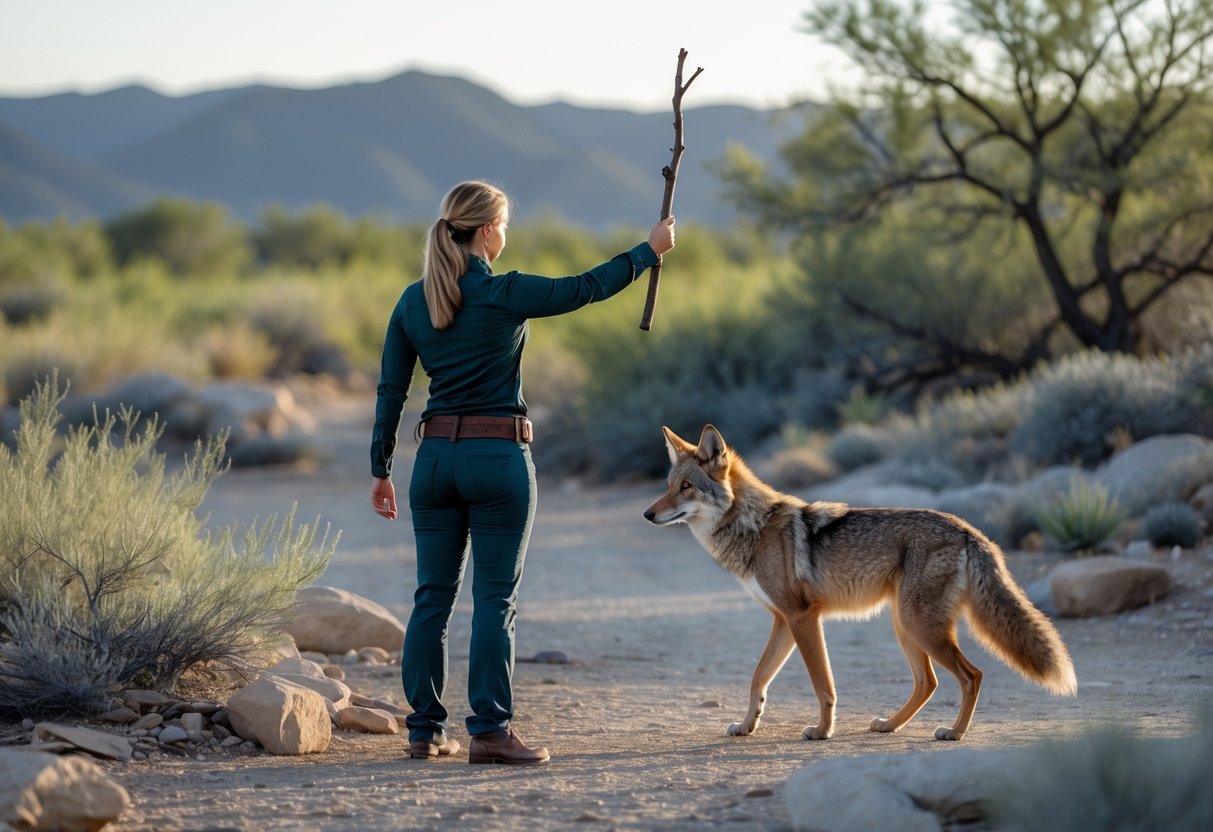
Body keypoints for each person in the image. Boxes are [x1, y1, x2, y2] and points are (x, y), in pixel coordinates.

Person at [370, 180, 675, 765]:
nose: (505, 234)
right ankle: (488, 731)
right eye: (503, 224)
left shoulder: (413, 299)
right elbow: (584, 288)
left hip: (433, 464)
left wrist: (380, 468)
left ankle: (424, 730)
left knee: (430, 598)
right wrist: (649, 250)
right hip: (497, 460)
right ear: (487, 231)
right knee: (494, 600)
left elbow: (391, 390)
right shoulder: (502, 292)